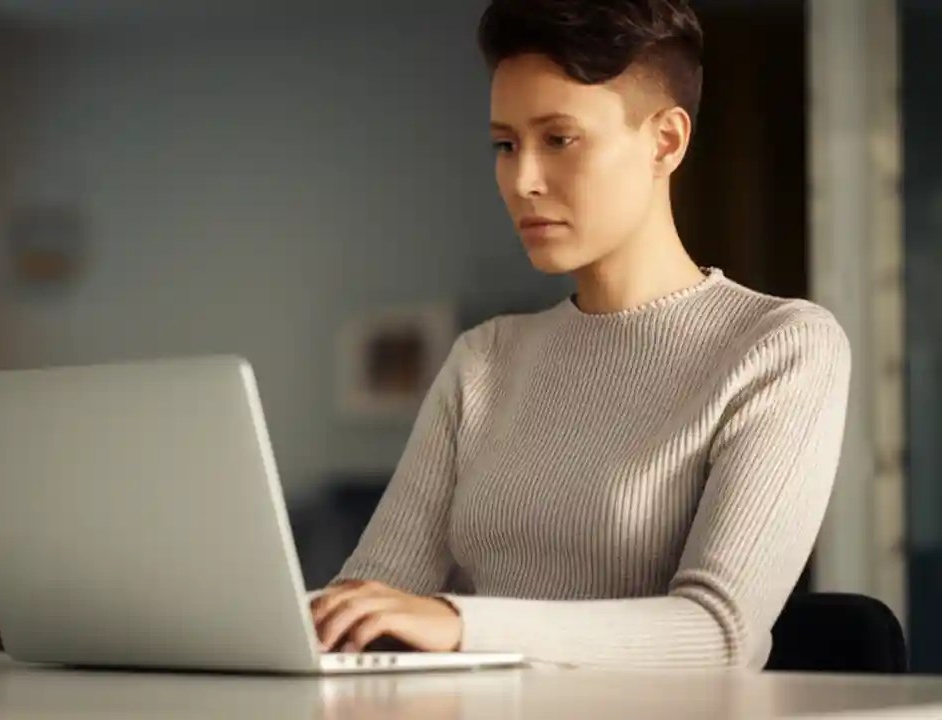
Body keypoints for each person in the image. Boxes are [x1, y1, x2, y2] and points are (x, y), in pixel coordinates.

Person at [308, 0, 851, 669]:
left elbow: (720, 635)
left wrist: (458, 623)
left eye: (558, 139)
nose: (521, 180)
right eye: (505, 145)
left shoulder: (779, 346)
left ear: (666, 141)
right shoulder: (486, 358)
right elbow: (373, 598)